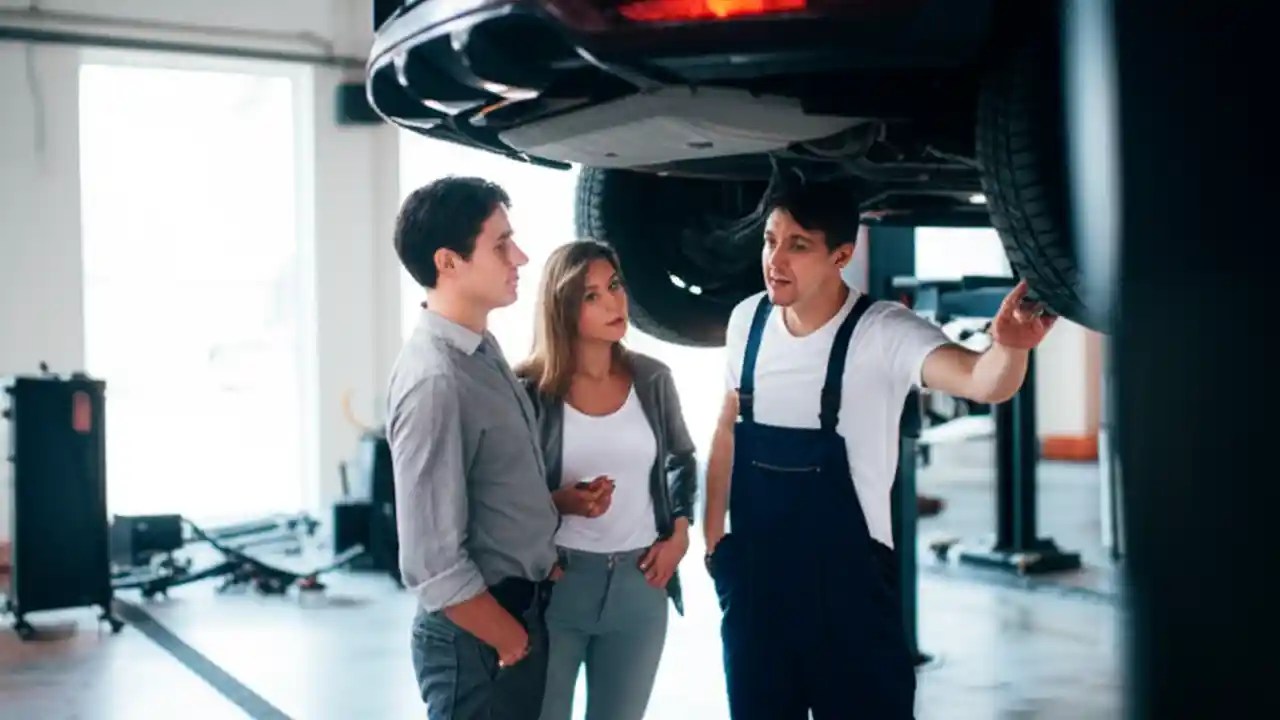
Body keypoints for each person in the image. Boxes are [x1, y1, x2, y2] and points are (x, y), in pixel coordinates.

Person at [701, 182, 1057, 719]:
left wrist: (1010, 347)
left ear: (842, 255)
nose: (775, 259)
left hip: (847, 595)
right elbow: (728, 425)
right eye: (770, 240)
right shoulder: (746, 321)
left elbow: (985, 382)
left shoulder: (883, 332)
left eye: (798, 245)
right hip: (755, 588)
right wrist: (714, 545)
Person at [385, 176, 561, 720]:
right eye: (501, 243)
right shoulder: (436, 379)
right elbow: (431, 561)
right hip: (480, 639)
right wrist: (509, 640)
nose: (521, 257)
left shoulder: (479, 348)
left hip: (512, 616)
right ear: (449, 262)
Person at [514, 240, 698, 720]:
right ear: (563, 309)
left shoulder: (653, 379)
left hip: (641, 585)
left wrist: (680, 535)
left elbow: (681, 459)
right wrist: (560, 502)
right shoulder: (528, 391)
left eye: (614, 285)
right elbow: (505, 497)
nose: (614, 302)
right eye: (591, 295)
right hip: (557, 585)